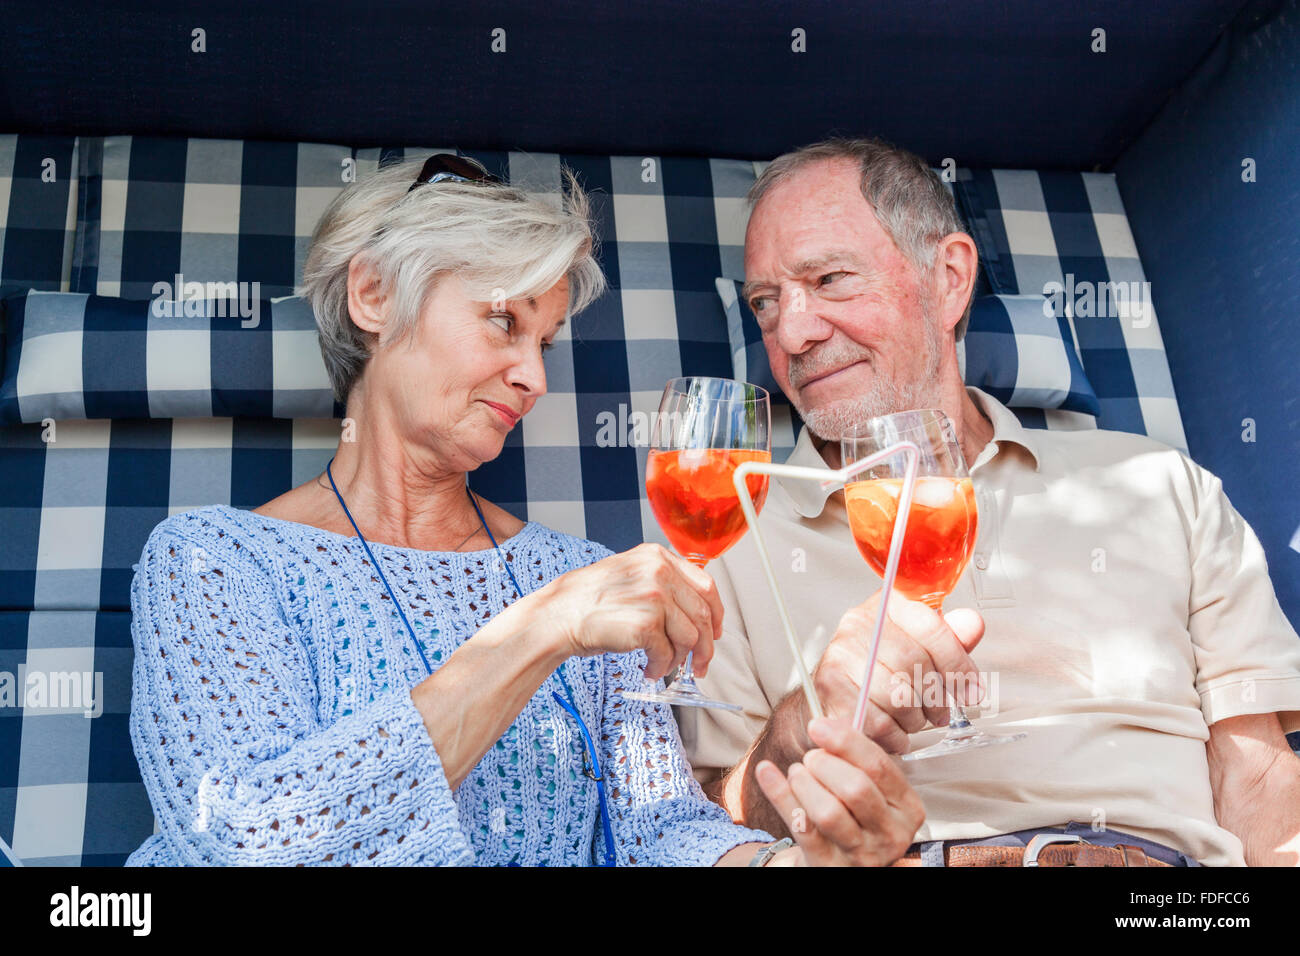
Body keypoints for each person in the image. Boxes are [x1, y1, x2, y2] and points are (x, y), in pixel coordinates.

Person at [124, 153, 924, 866]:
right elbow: (237, 844)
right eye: (503, 320)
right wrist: (537, 630)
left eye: (544, 343)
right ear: (371, 294)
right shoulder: (214, 562)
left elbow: (660, 832)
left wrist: (797, 866)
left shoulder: (574, 574)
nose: (534, 379)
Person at [684, 137, 1300, 867]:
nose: (792, 332)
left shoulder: (1162, 483)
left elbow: (1260, 780)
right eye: (765, 302)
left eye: (830, 280)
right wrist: (802, 723)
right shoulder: (721, 535)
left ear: (948, 279)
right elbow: (709, 824)